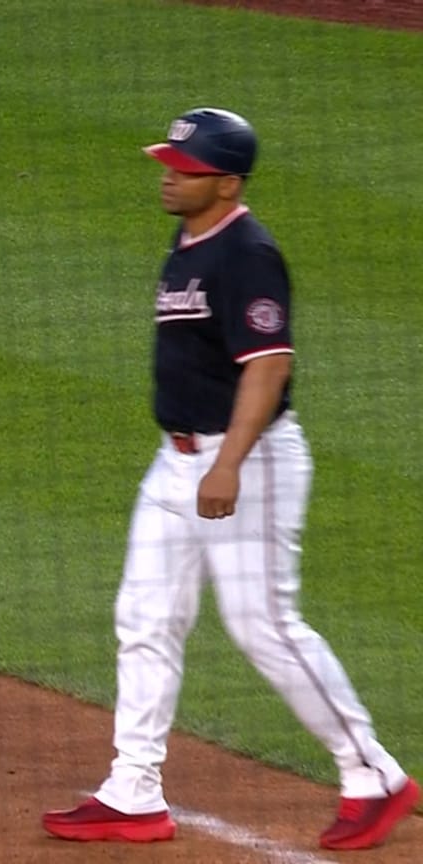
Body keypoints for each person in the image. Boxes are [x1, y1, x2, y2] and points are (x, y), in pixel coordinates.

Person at [42, 108, 417, 851]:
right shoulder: (188, 238)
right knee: (145, 617)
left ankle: (374, 776)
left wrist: (228, 463)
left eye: (187, 170)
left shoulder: (246, 253)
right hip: (174, 462)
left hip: (247, 461)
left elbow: (268, 366)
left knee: (263, 624)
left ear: (229, 183)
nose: (169, 177)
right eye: (169, 164)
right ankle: (134, 792)